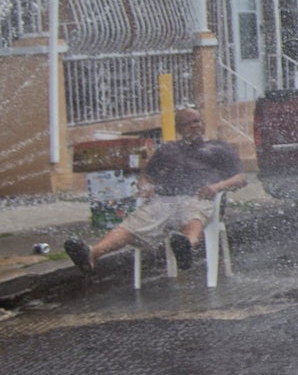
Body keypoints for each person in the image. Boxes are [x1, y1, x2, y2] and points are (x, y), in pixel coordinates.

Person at [64, 107, 246, 275]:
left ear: (203, 124)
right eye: (187, 124)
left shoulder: (218, 148)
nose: (194, 126)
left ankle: (187, 247)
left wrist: (217, 187)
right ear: (178, 129)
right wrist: (145, 186)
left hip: (199, 198)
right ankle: (91, 255)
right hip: (164, 201)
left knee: (192, 214)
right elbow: (146, 176)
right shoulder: (168, 149)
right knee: (132, 225)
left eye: (196, 121)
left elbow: (240, 178)